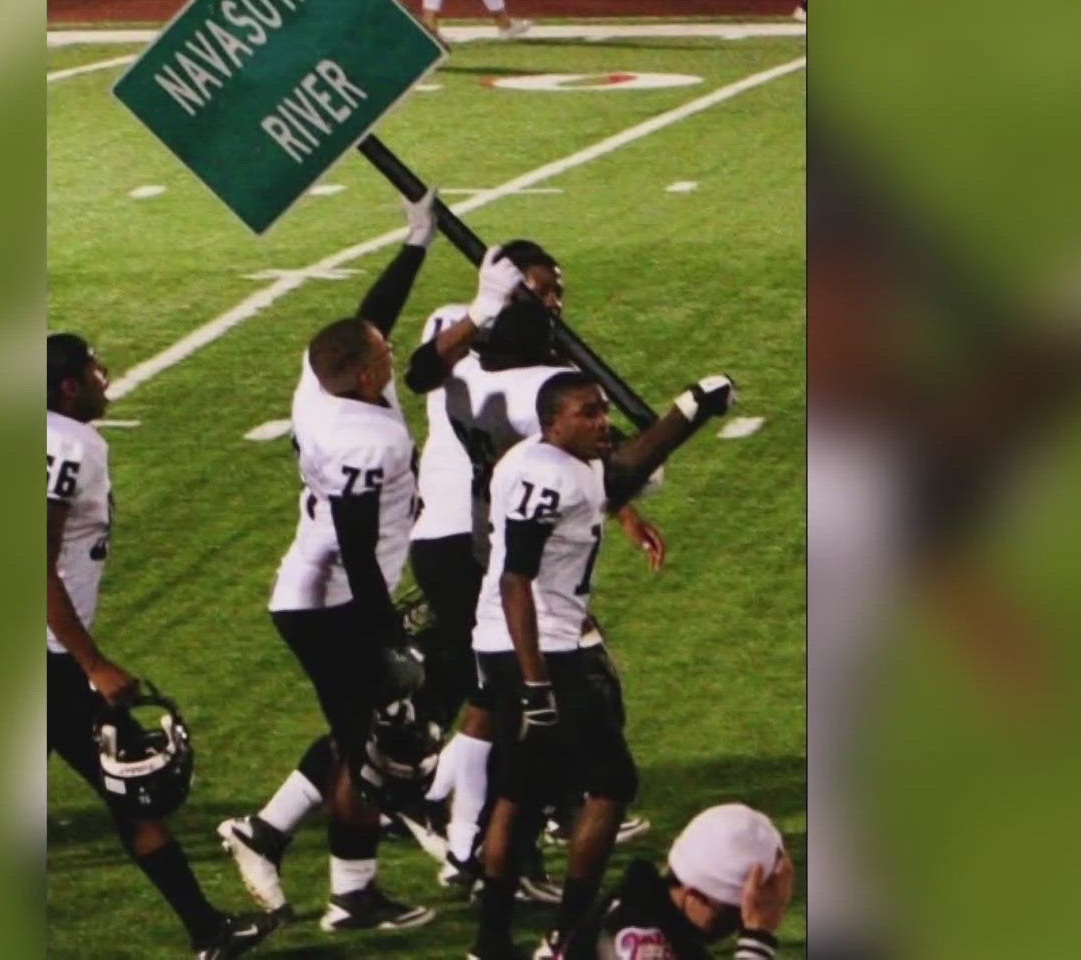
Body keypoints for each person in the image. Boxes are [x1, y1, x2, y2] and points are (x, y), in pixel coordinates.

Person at [216, 190, 469, 934]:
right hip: (328, 600)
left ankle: (267, 834)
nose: (394, 356)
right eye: (383, 360)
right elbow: (358, 545)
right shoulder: (371, 442)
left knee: (363, 735)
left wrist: (414, 242)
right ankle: (351, 895)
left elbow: (369, 323)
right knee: (371, 751)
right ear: (362, 378)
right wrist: (382, 633)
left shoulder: (321, 384)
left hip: (316, 589)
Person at [404, 243, 661, 894]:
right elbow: (424, 369)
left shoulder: (516, 364)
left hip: (480, 534)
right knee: (544, 688)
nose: (554, 306)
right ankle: (483, 831)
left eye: (557, 294)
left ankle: (484, 831)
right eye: (541, 293)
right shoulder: (517, 373)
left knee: (497, 694)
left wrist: (621, 513)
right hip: (479, 540)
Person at [464, 368, 738, 960]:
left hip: (512, 641)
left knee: (520, 791)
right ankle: (564, 937)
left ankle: (490, 944)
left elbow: (615, 477)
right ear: (552, 421)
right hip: (541, 647)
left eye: (602, 409)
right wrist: (537, 681)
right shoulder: (545, 474)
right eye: (587, 413)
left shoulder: (548, 461)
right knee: (611, 782)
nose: (601, 421)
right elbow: (517, 579)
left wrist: (687, 412)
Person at [46, 333, 276, 959]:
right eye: (94, 368)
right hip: (47, 662)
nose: (105, 374)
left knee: (127, 786)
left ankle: (207, 929)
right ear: (69, 386)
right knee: (128, 784)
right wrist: (93, 663)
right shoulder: (67, 444)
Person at [548, 803, 794, 960]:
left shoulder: (651, 909)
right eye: (735, 914)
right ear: (694, 895)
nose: (740, 925)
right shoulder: (642, 945)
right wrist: (757, 939)